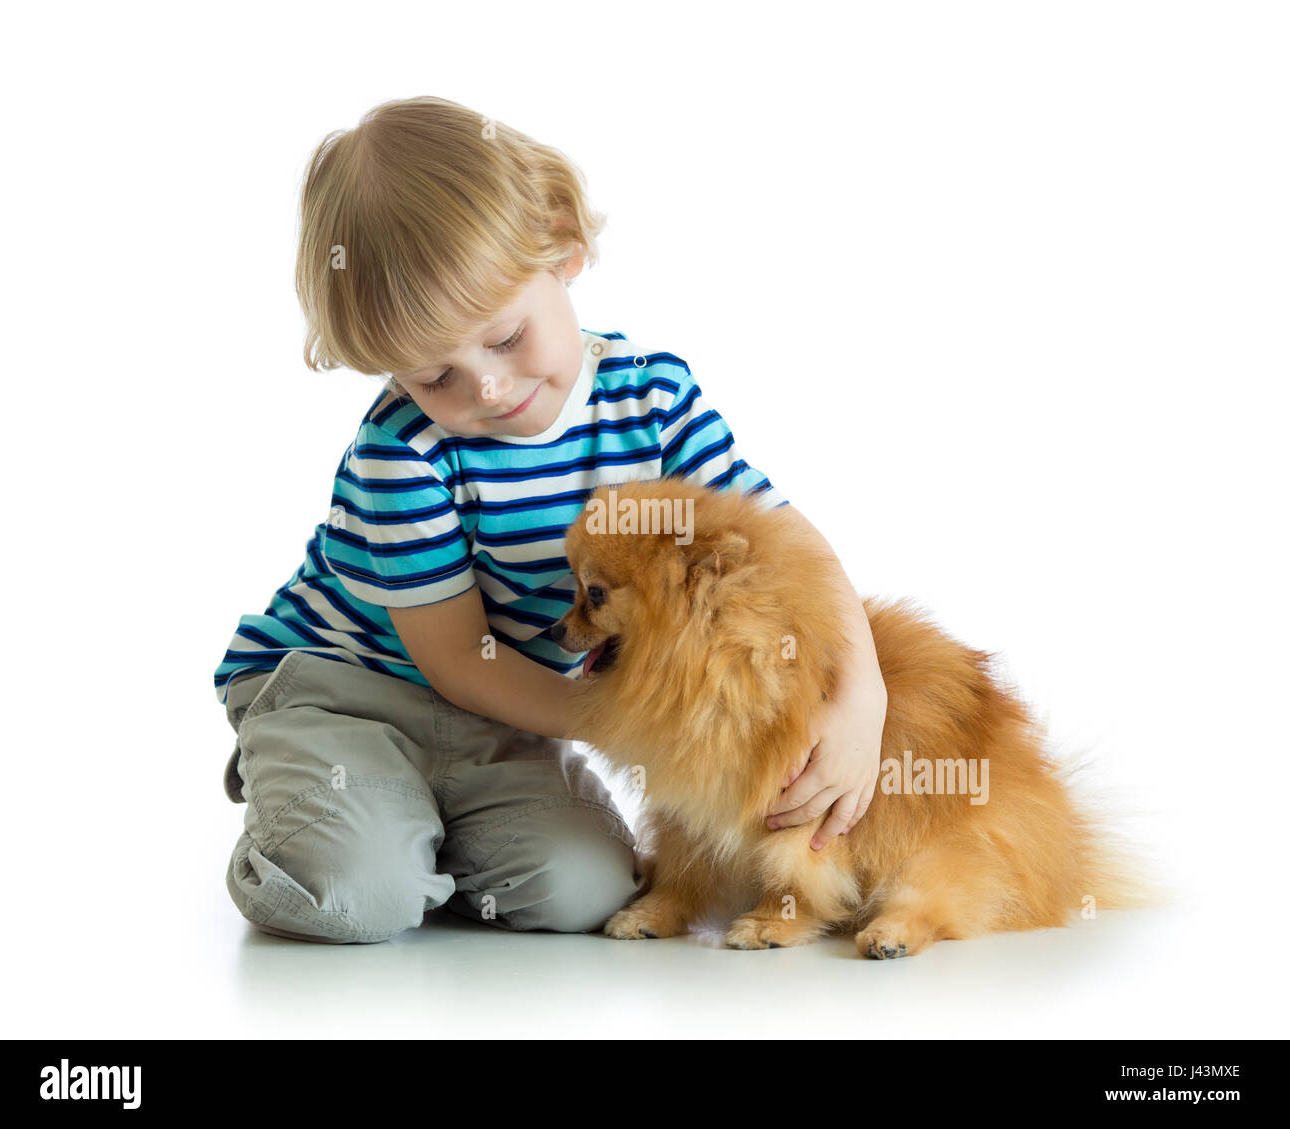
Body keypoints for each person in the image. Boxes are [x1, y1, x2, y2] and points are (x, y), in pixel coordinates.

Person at [214, 96, 889, 944]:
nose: (485, 390)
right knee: (355, 896)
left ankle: (421, 829)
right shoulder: (405, 453)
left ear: (564, 248)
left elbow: (783, 545)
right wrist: (651, 720)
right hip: (346, 694)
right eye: (433, 377)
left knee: (582, 891)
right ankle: (317, 821)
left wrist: (862, 696)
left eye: (503, 338)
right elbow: (462, 659)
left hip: (503, 720)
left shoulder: (653, 397)